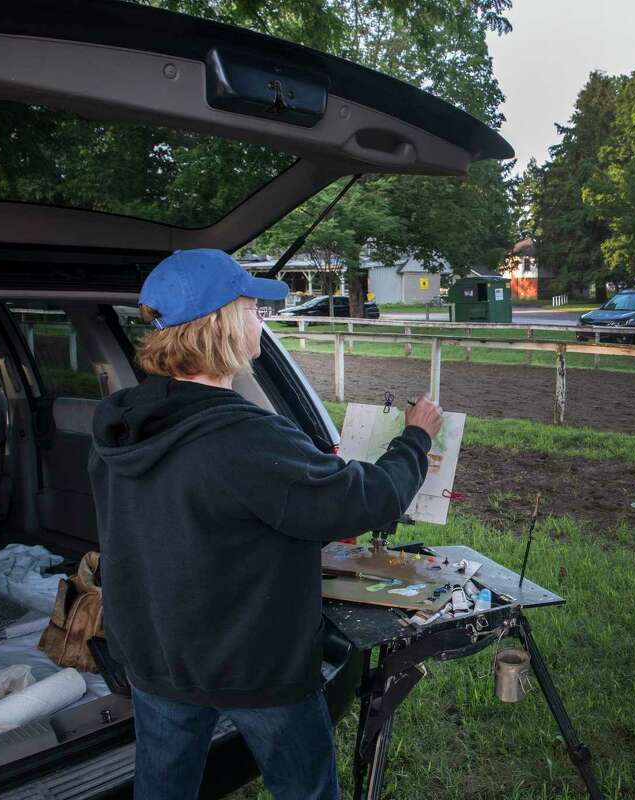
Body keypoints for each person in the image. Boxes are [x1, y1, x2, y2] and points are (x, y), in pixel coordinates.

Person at [88, 249, 442, 800]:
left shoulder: (121, 426)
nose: (261, 321)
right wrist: (416, 438)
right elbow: (367, 501)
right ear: (222, 325)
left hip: (155, 652)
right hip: (252, 666)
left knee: (162, 787)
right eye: (254, 310)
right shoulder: (245, 439)